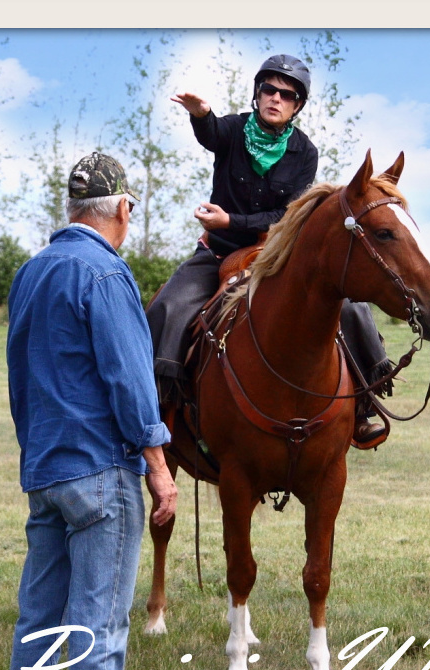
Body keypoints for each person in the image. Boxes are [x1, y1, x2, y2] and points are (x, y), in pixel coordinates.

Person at [5, 153, 179, 670]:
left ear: (74, 207)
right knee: (98, 619)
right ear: (123, 209)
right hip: (101, 471)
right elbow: (130, 382)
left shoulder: (32, 272)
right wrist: (159, 468)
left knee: (40, 616)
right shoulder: (105, 274)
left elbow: (21, 373)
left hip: (46, 469)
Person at [146, 53, 393, 445]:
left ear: (297, 106)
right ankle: (159, 410)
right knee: (168, 307)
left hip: (278, 259)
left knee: (352, 307)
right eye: (269, 89)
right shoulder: (232, 130)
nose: (276, 98)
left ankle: (362, 408)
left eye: (288, 94)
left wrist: (232, 220)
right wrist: (201, 114)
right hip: (217, 253)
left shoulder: (305, 153)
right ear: (257, 94)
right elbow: (211, 133)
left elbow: (285, 215)